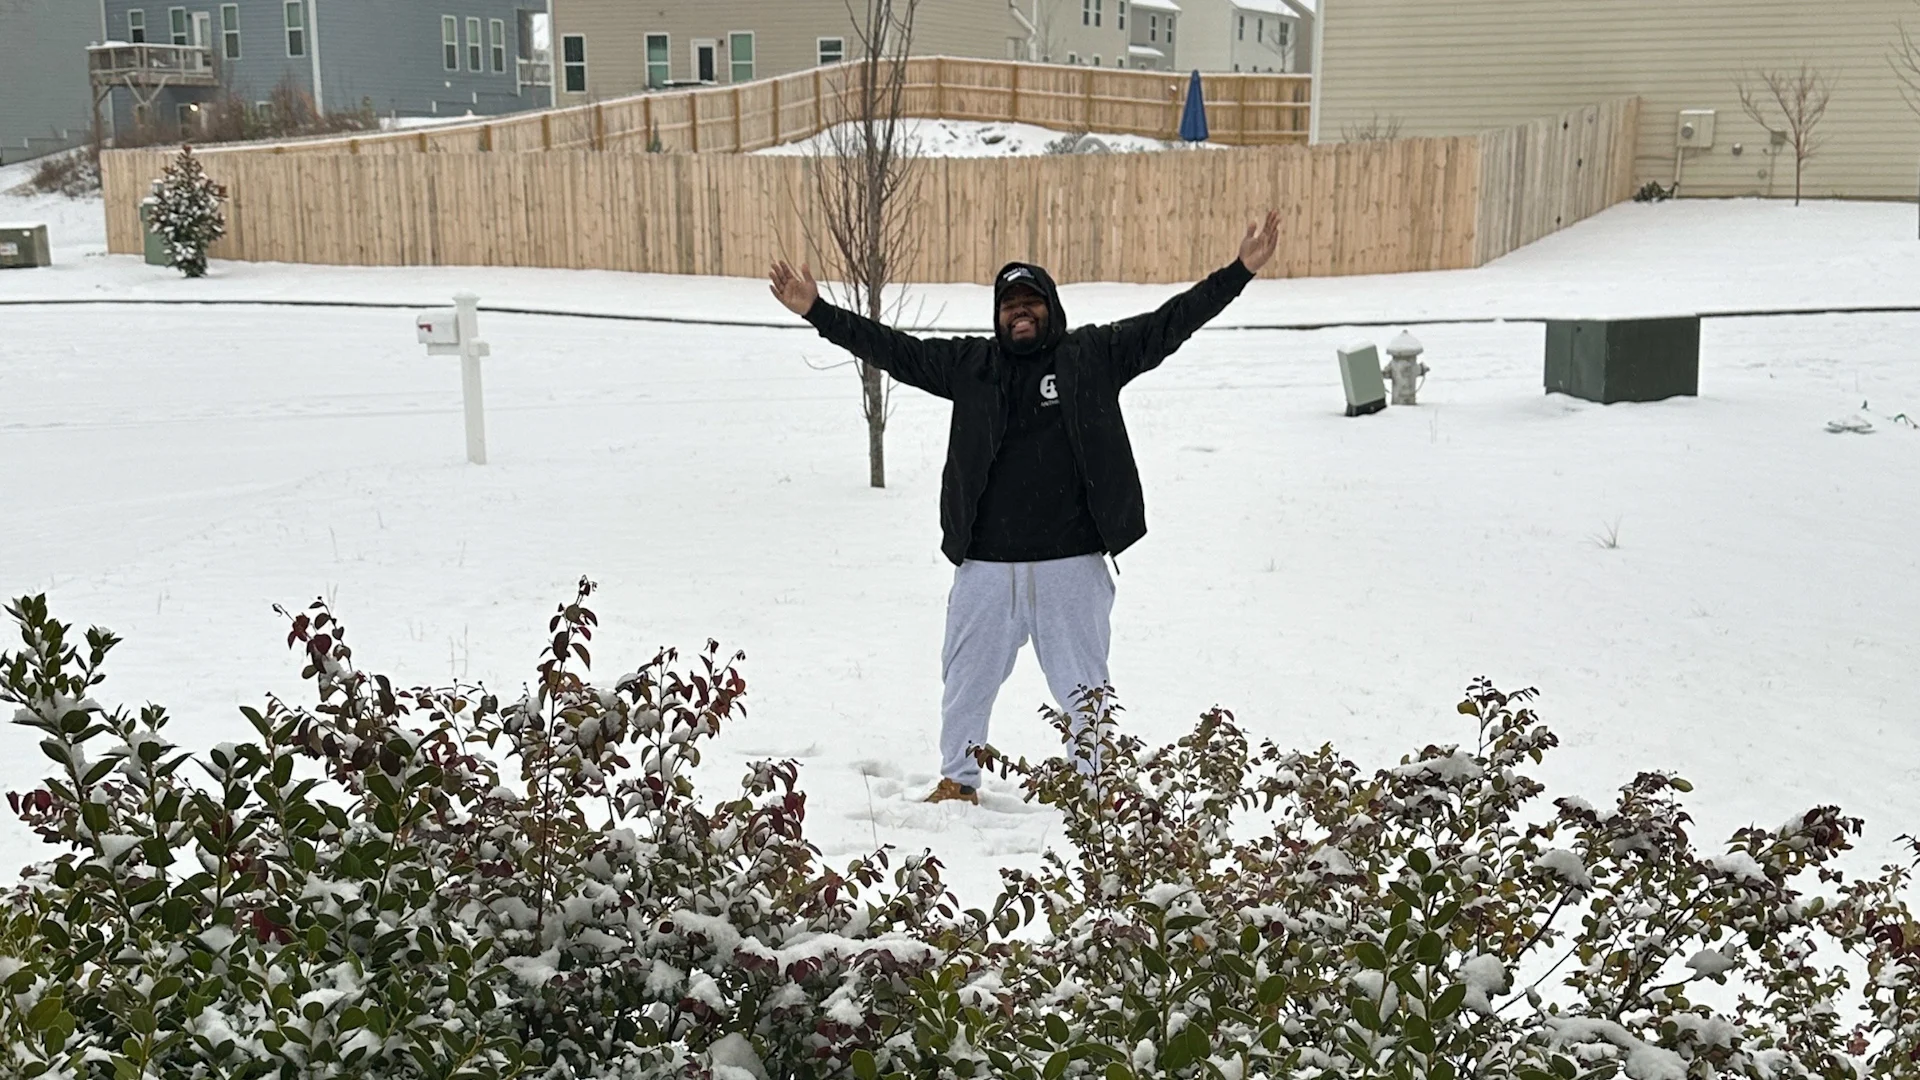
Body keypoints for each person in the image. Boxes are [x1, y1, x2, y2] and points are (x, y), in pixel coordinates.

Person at [769, 211, 1281, 804]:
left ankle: (1093, 790)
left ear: (1050, 308)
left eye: (1031, 302)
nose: (1020, 312)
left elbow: (1172, 323)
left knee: (1085, 689)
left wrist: (1239, 272)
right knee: (965, 681)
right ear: (998, 315)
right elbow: (893, 349)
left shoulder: (1095, 355)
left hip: (1071, 564)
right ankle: (956, 783)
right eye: (1010, 304)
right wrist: (816, 311)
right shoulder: (971, 367)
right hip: (986, 565)